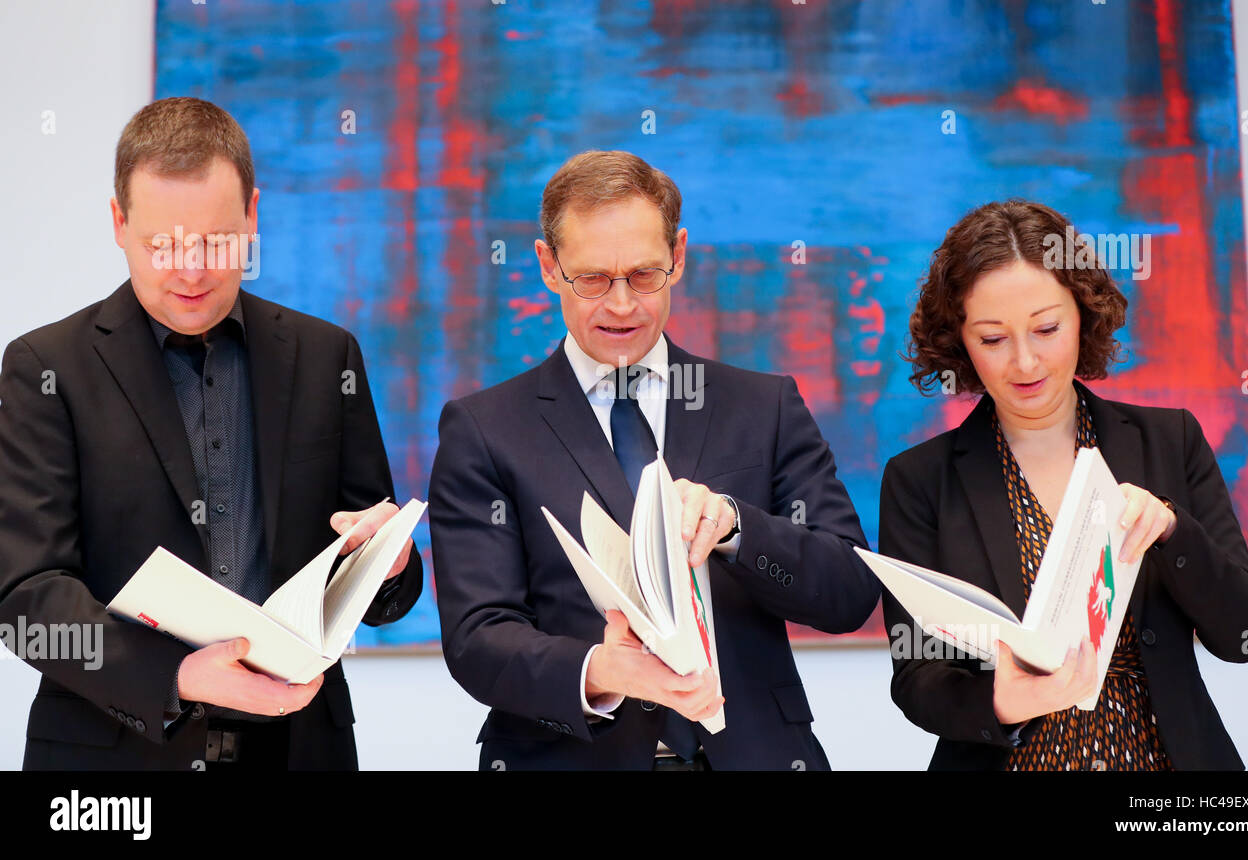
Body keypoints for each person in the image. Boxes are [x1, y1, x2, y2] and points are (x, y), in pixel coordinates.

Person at [0, 97, 423, 770]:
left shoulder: (325, 356)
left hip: (302, 749)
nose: (191, 270)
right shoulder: (45, 368)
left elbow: (378, 589)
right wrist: (177, 675)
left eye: (216, 241)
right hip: (112, 763)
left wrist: (390, 566)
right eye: (163, 243)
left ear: (253, 215)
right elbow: (25, 596)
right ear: (118, 221)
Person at [428, 150, 879, 770]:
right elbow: (478, 637)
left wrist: (737, 528)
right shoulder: (484, 429)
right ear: (547, 266)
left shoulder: (763, 405)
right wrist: (601, 672)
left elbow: (850, 591)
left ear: (680, 256)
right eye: (591, 279)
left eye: (644, 275)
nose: (620, 306)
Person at [879, 199, 1248, 770]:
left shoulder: (1170, 441)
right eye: (992, 339)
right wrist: (998, 701)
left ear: (1083, 313)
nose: (1025, 361)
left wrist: (1172, 530)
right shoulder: (919, 480)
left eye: (1046, 328)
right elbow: (916, 677)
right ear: (958, 341)